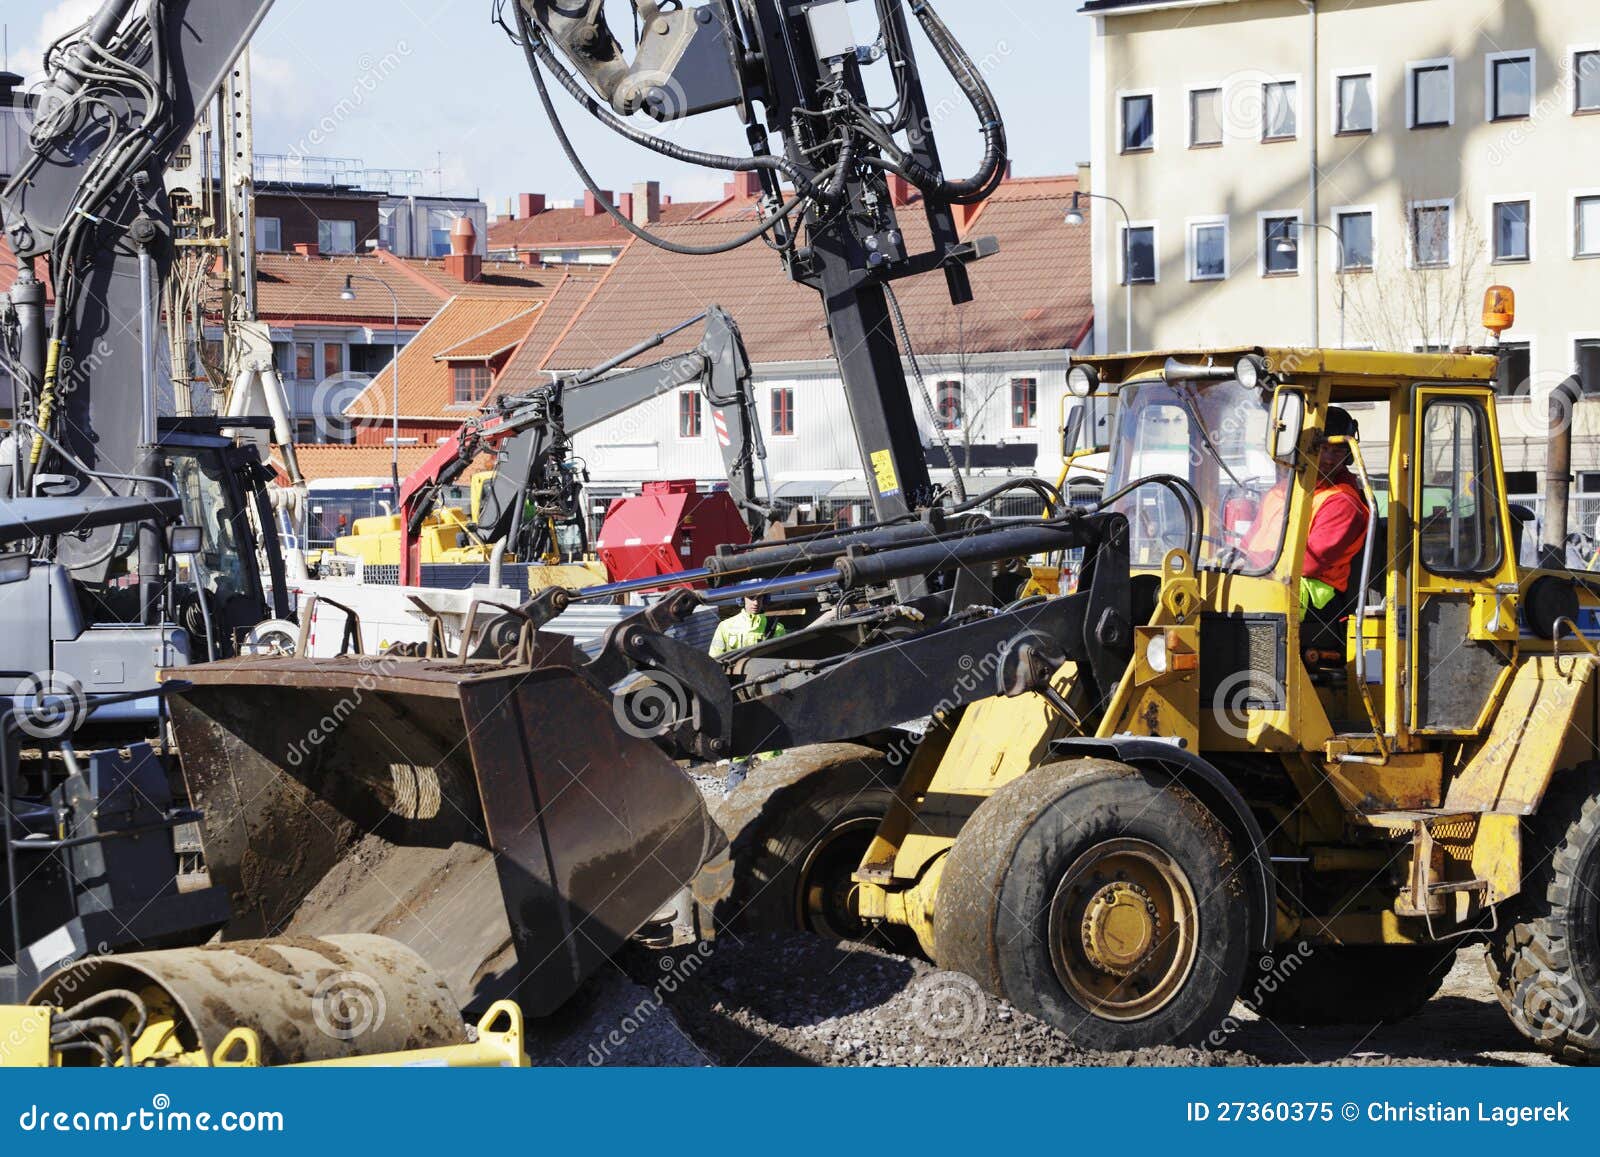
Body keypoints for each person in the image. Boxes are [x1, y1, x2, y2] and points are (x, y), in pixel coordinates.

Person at [1241, 406, 1371, 619]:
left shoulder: (1342, 501)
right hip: (1268, 578)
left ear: (1348, 455)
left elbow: (1308, 564)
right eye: (1322, 449)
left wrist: (1254, 563)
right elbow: (1247, 545)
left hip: (1316, 599)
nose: (1328, 458)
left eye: (1337, 450)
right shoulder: (1280, 492)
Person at [710, 593, 787, 657]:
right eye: (751, 597)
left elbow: (782, 659)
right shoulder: (725, 626)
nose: (755, 603)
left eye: (759, 597)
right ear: (742, 598)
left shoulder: (777, 628)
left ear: (764, 598)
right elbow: (714, 658)